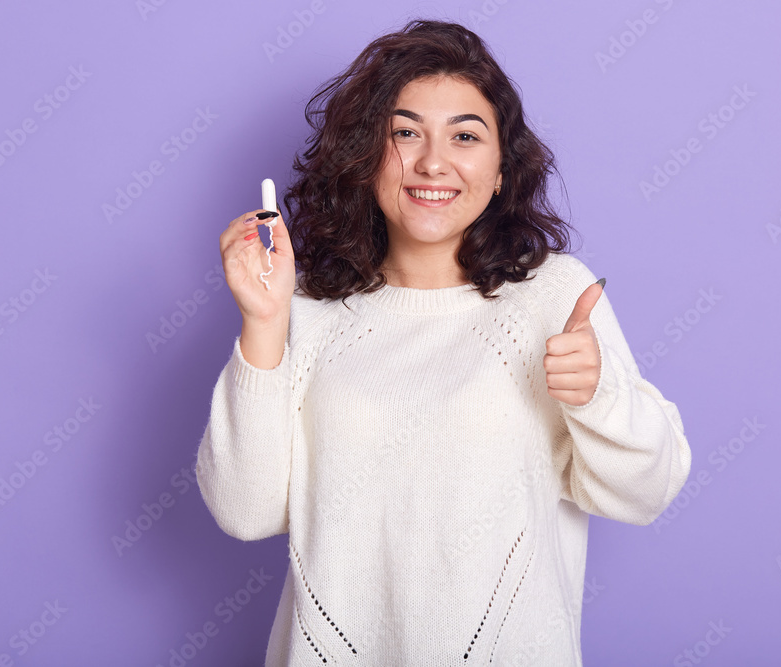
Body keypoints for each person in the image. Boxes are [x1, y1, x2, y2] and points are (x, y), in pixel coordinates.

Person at [195, 18, 691, 666]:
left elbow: (647, 490)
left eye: (465, 135)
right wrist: (263, 322)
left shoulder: (553, 297)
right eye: (405, 133)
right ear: (365, 155)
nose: (433, 161)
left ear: (501, 171)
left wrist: (598, 396)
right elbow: (244, 510)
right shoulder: (308, 309)